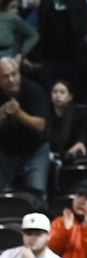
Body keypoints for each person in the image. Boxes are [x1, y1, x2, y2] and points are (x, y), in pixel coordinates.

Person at [0, 56, 50, 194]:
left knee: (37, 192)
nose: (11, 79)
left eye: (14, 74)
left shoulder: (34, 90)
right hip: (6, 152)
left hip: (35, 151)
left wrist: (19, 113)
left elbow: (41, 125)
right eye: (5, 76)